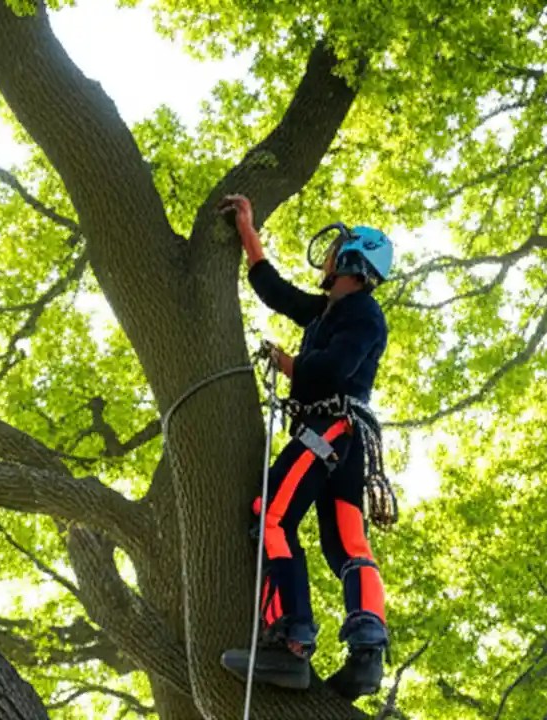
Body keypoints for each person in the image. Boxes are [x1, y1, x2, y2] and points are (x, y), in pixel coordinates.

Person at [217, 194, 393, 699]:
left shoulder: (362, 312)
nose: (330, 256)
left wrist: (286, 361)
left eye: (339, 250)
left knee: (270, 513)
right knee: (347, 546)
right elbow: (276, 292)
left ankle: (291, 642)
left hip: (329, 430)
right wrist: (248, 231)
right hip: (345, 438)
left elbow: (331, 370)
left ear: (356, 263)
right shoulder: (328, 312)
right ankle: (366, 654)